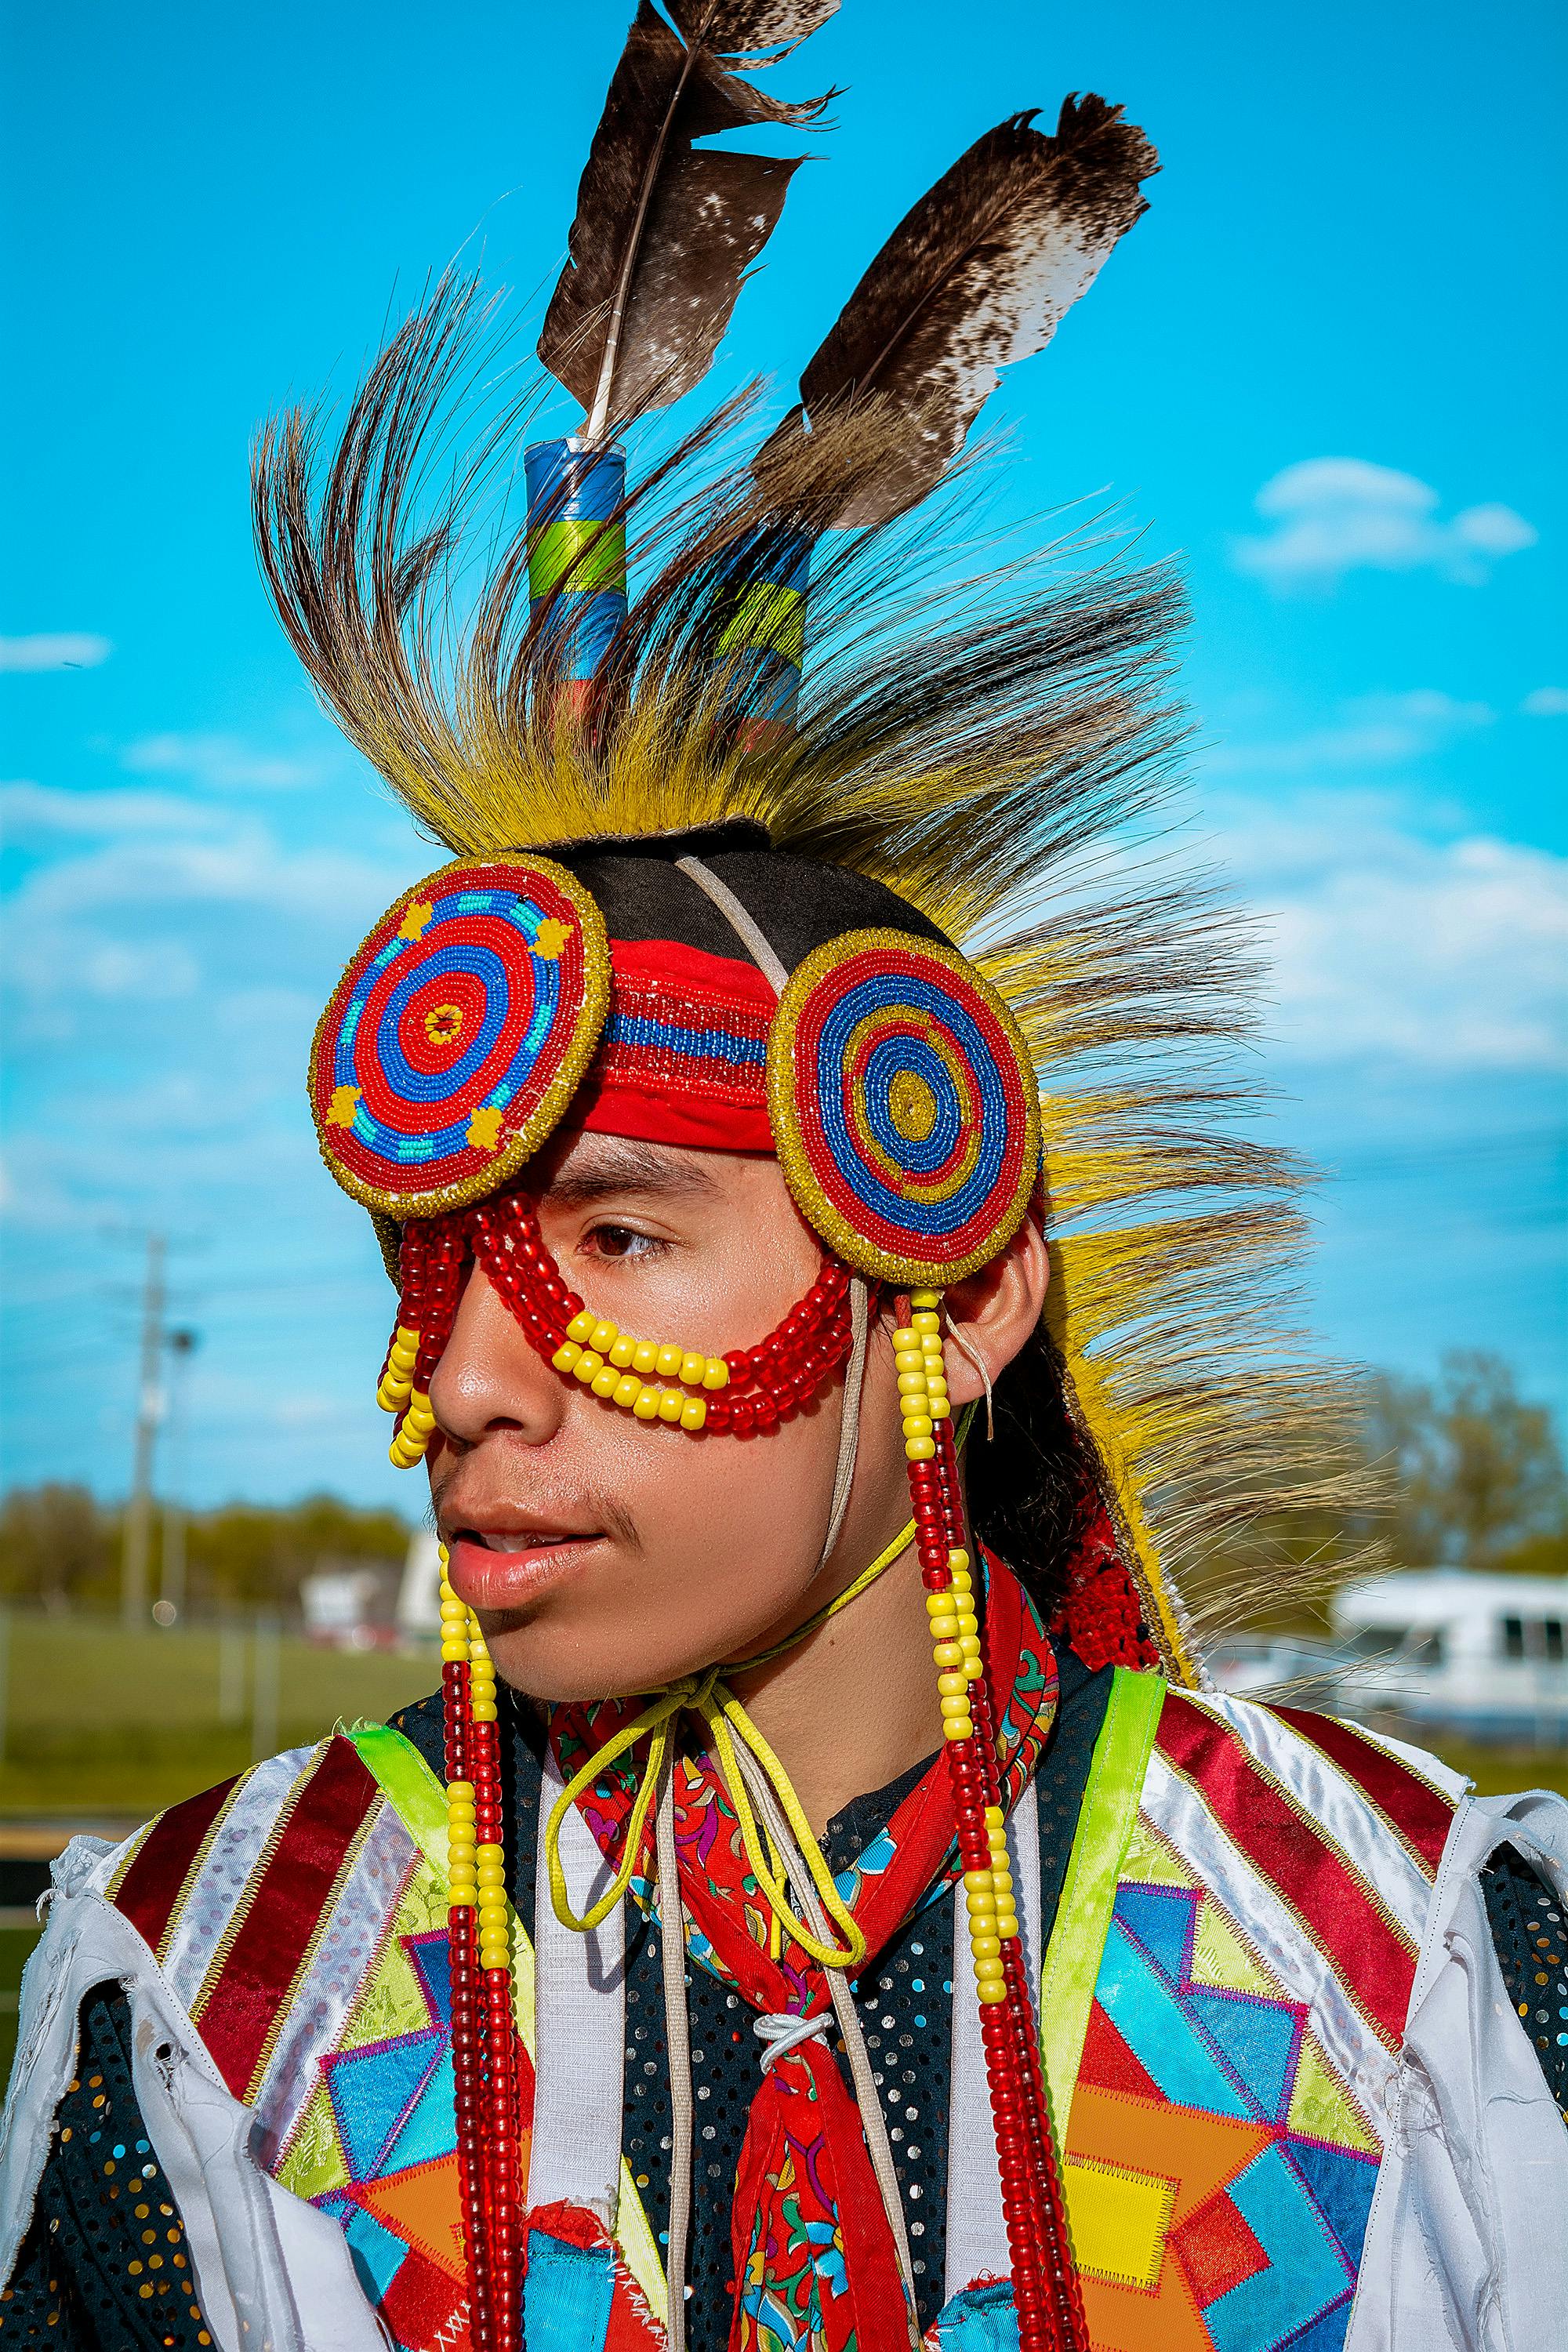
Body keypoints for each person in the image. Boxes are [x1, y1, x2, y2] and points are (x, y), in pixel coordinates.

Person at [3, 13, 1566, 2352]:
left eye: (618, 1236)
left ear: (960, 1280)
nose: (463, 1386)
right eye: (428, 1271)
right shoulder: (229, 1986)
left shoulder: (1403, 1961)